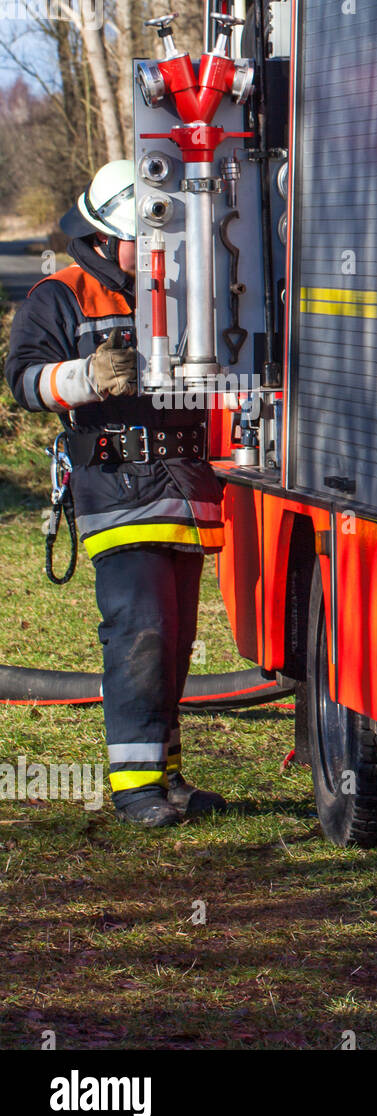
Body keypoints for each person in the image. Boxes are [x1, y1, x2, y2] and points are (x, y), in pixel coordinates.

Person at [4, 159, 228, 827]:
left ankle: (167, 777)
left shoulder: (181, 284)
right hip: (117, 490)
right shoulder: (60, 295)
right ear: (103, 236)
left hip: (186, 489)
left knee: (175, 641)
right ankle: (135, 790)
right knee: (140, 633)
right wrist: (86, 376)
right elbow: (23, 381)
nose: (155, 249)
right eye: (141, 238)